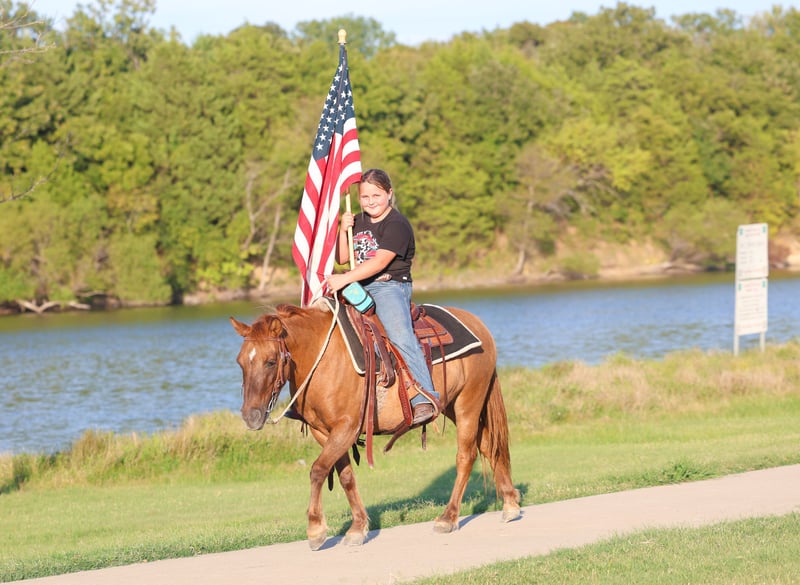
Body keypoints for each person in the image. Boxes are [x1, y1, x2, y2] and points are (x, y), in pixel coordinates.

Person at [325, 168, 438, 426]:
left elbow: (379, 262)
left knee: (399, 335)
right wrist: (344, 231)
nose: (370, 201)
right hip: (358, 286)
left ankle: (424, 397)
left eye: (376, 195)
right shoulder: (359, 220)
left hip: (390, 286)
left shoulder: (397, 224)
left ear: (389, 193)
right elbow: (343, 259)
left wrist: (345, 278)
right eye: (365, 197)